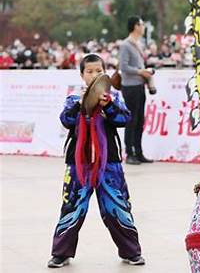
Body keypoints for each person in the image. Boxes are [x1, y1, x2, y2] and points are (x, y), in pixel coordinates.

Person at [47, 54, 144, 268]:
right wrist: (83, 104)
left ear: (104, 72)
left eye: (98, 71)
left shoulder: (113, 97)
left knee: (117, 205)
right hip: (78, 163)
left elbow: (124, 119)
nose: (94, 75)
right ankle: (61, 254)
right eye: (89, 71)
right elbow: (66, 120)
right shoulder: (73, 99)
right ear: (82, 75)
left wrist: (107, 106)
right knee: (72, 206)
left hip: (109, 161)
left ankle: (131, 252)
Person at [119, 16, 155, 165]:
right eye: (141, 24)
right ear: (135, 26)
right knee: (131, 120)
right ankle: (129, 152)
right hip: (130, 86)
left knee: (140, 120)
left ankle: (138, 152)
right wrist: (141, 72)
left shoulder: (137, 44)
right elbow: (124, 67)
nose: (143, 27)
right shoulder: (126, 45)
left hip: (139, 86)